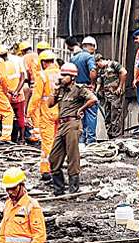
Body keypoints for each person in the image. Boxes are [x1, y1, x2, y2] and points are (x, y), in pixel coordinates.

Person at [47, 61, 97, 195]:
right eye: (61, 74)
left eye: (65, 75)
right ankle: (59, 189)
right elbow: (49, 104)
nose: (62, 77)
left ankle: (73, 190)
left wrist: (81, 109)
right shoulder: (61, 91)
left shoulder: (79, 89)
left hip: (73, 124)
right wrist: (55, 90)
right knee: (53, 157)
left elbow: (93, 99)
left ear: (72, 77)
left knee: (72, 156)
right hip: (62, 124)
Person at [32, 49, 61, 181]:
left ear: (43, 62)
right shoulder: (61, 74)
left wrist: (29, 112)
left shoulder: (42, 75)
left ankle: (47, 169)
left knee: (47, 142)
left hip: (47, 113)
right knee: (58, 141)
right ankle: (58, 166)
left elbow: (36, 97)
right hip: (60, 112)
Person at [71, 36, 100, 143]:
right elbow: (92, 70)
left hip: (76, 89)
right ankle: (91, 140)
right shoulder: (89, 57)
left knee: (80, 114)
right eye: (92, 45)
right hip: (87, 88)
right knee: (91, 114)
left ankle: (81, 141)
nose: (93, 48)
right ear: (85, 46)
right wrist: (92, 84)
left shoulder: (73, 58)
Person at [0, 46, 28, 143]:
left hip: (7, 96)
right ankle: (22, 138)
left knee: (5, 117)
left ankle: (8, 137)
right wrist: (17, 91)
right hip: (19, 95)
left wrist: (11, 92)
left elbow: (1, 82)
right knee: (20, 117)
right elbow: (23, 77)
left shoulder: (1, 66)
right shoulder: (15, 64)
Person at [97, 55, 128, 138]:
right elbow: (99, 83)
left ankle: (116, 137)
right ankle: (110, 136)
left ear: (100, 60)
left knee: (115, 116)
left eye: (97, 63)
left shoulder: (113, 64)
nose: (97, 66)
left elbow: (124, 72)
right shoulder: (101, 70)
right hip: (106, 96)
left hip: (115, 95)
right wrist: (96, 92)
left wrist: (120, 87)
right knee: (108, 117)